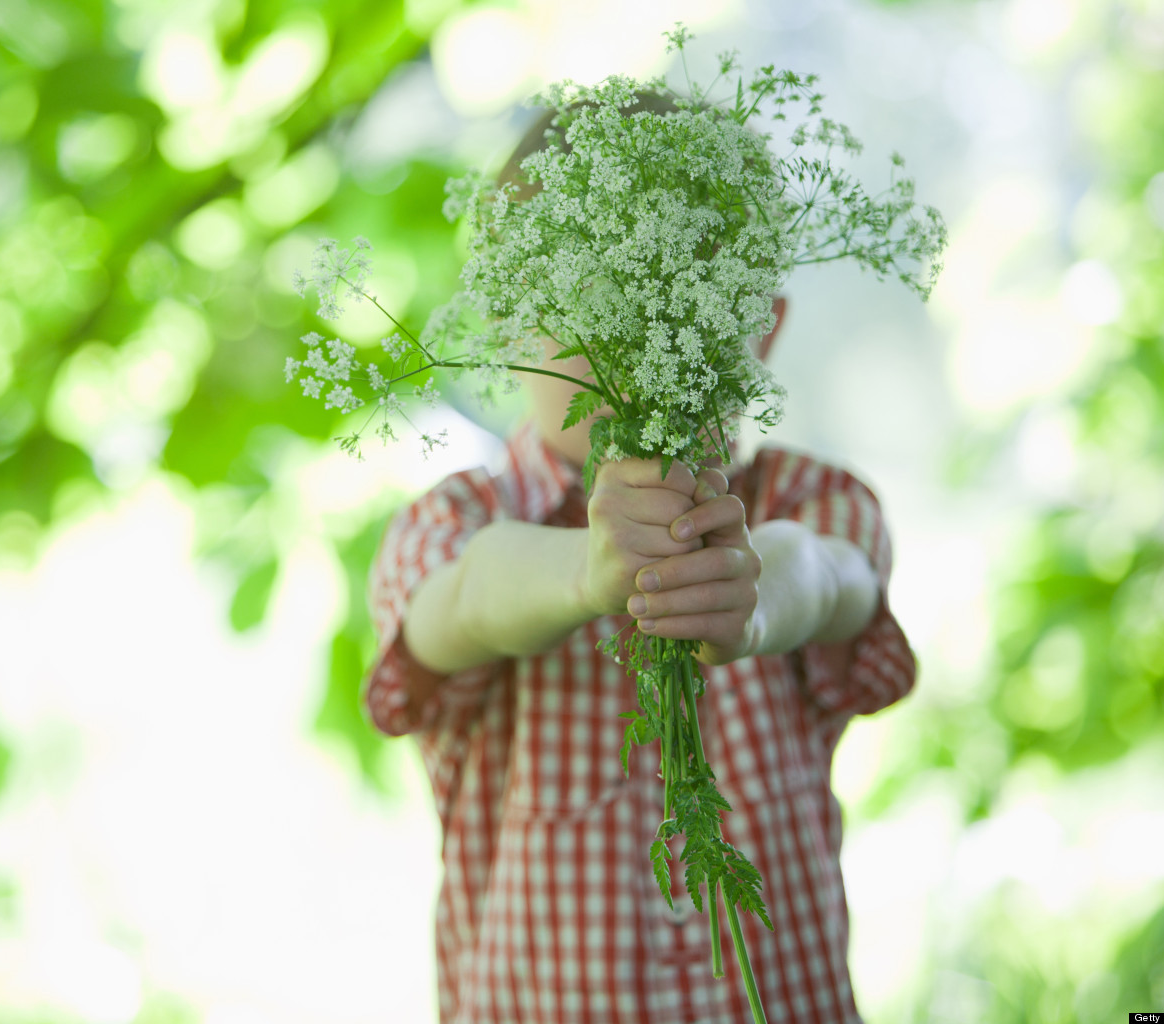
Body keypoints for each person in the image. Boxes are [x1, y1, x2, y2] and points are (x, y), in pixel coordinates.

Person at [363, 109, 917, 1024]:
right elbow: (459, 597)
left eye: (681, 313)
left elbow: (830, 575)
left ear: (761, 329)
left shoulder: (802, 499)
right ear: (510, 321)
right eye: (594, 312)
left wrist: (755, 595)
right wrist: (586, 569)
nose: (634, 363)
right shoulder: (462, 520)